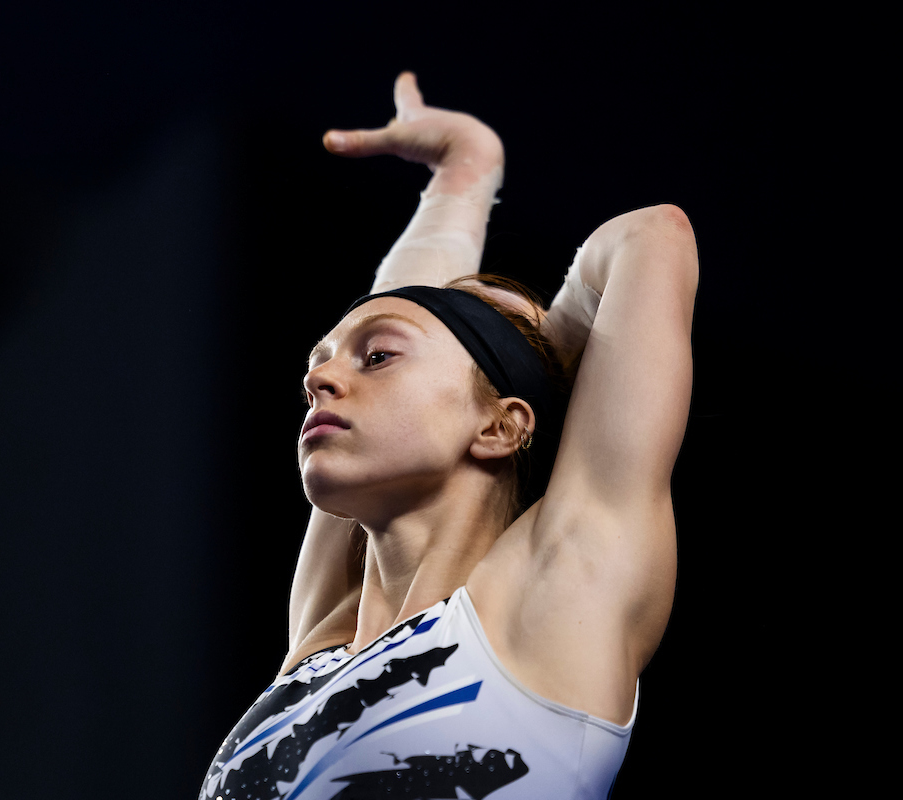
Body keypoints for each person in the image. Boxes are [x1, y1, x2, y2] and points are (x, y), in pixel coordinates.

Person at [198, 73, 698, 800]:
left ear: (501, 425)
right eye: (319, 361)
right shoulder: (321, 645)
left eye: (375, 359)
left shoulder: (555, 599)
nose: (321, 378)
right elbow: (396, 312)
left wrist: (528, 361)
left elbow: (654, 237)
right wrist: (462, 182)